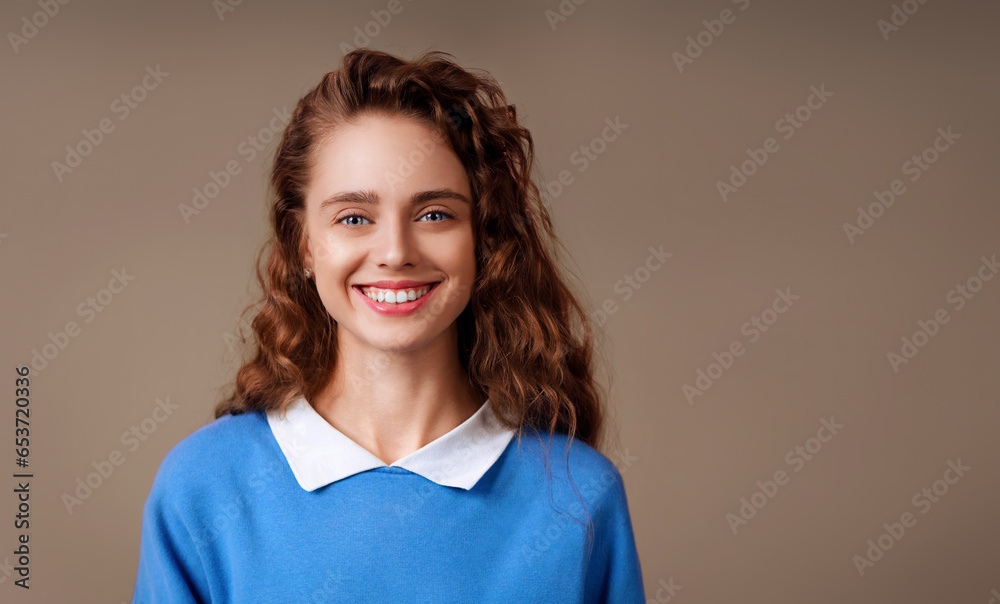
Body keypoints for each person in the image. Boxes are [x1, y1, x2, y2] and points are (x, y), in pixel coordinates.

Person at [132, 48, 645, 603]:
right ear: (304, 244)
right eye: (354, 217)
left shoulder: (578, 496)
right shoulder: (204, 487)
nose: (395, 252)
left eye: (434, 214)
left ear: (482, 239)